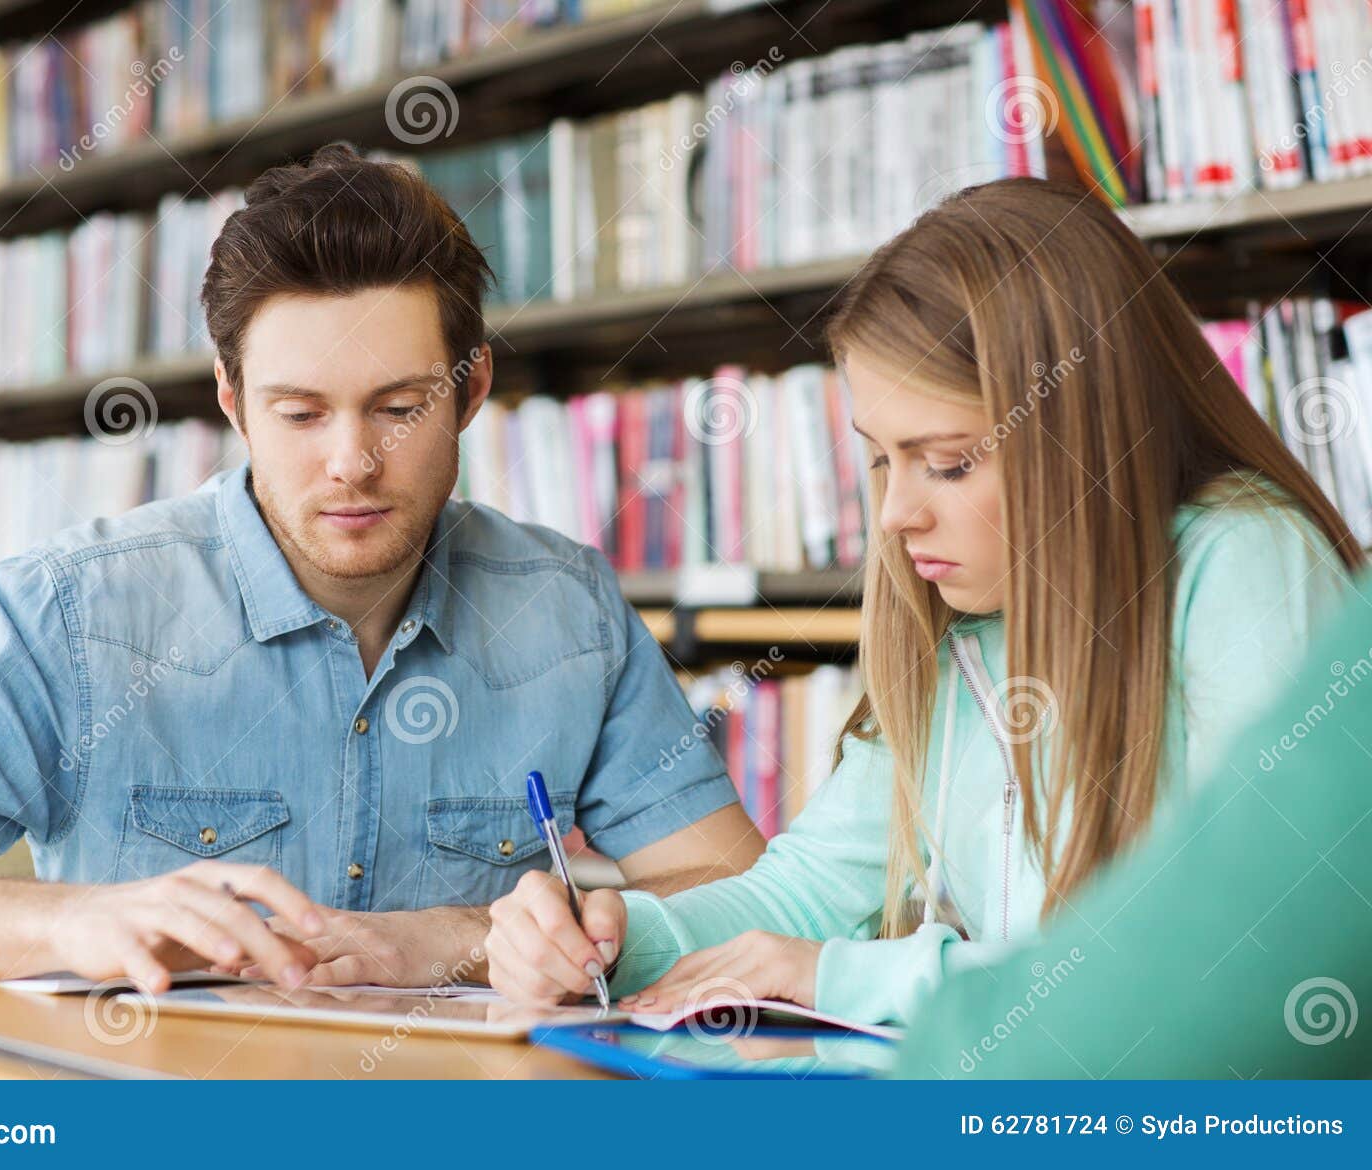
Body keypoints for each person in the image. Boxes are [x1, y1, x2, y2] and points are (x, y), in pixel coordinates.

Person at [0, 145, 763, 992]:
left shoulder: (566, 611)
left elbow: (747, 899)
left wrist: (463, 939)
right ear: (232, 400)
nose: (350, 462)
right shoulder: (73, 611)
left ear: (472, 391)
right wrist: (64, 921)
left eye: (398, 408)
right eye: (300, 414)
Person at [483, 177, 1364, 1024]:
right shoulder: (953, 631)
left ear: (1080, 434)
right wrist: (615, 937)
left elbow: (1238, 953)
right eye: (880, 458)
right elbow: (815, 888)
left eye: (948, 462)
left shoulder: (1248, 562)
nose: (898, 514)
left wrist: (849, 978)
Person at [894, 571, 1372, 1078]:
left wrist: (882, 988)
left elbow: (1237, 962)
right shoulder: (965, 638)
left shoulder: (1237, 552)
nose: (894, 517)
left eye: (952, 482)